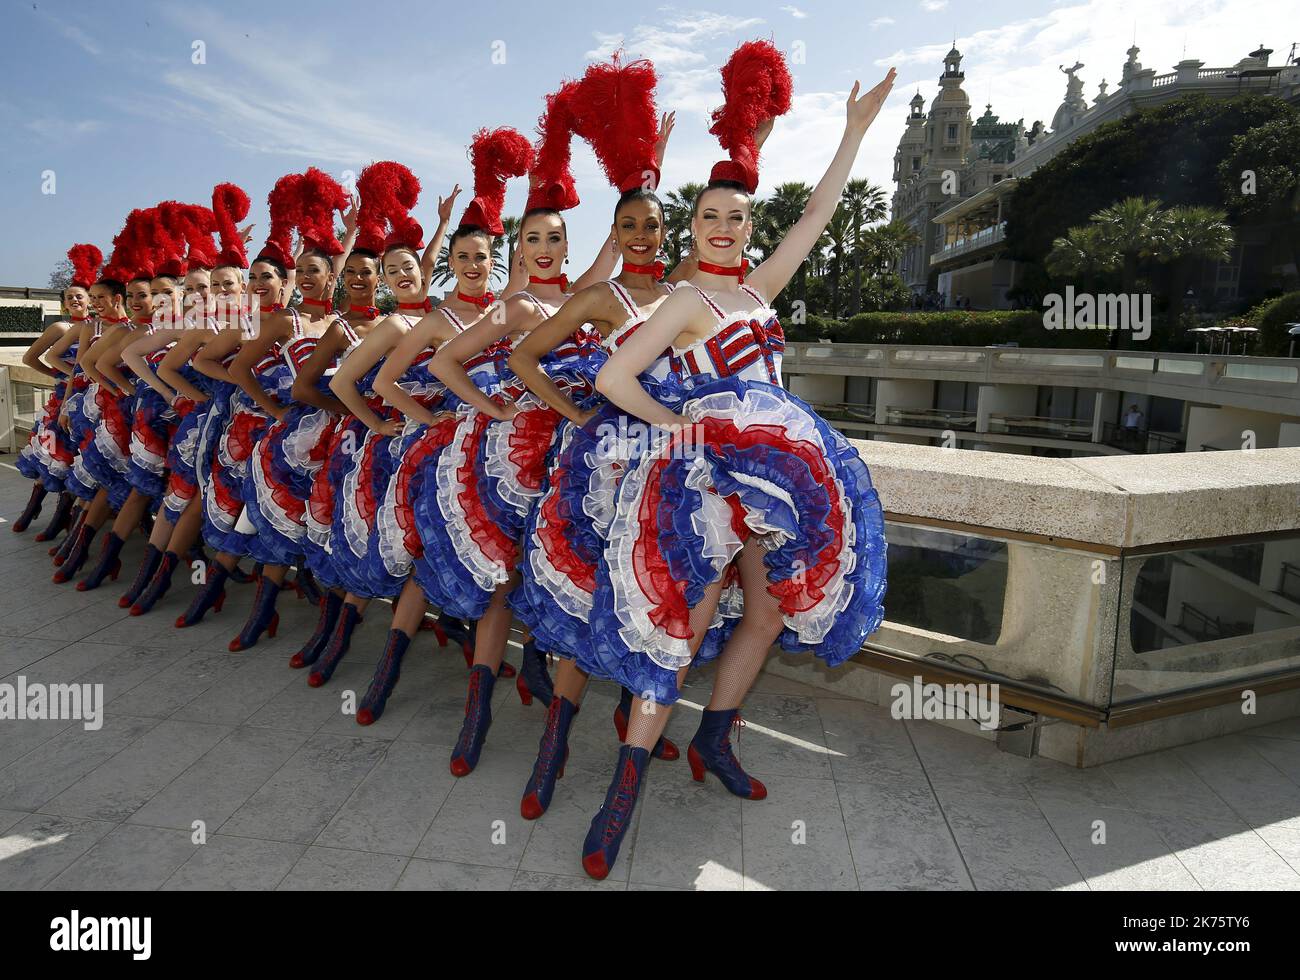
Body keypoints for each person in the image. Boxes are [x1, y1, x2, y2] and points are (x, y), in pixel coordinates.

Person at [577, 42, 894, 879]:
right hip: (707, 488)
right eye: (711, 217)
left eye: (738, 218)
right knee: (677, 633)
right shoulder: (687, 299)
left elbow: (818, 217)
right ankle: (623, 790)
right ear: (693, 228)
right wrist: (681, 425)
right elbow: (614, 375)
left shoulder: (758, 291)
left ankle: (715, 739)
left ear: (749, 228)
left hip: (776, 486)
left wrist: (852, 134)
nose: (726, 227)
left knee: (767, 614)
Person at [506, 55, 688, 820]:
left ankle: (632, 717)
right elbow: (522, 356)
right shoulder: (598, 295)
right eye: (630, 227)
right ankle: (553, 751)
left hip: (673, 465)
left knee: (654, 599)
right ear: (614, 235)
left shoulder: (684, 290)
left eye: (653, 224)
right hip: (604, 467)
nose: (644, 234)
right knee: (589, 604)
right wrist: (576, 412)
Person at [13, 243, 101, 539]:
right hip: (65, 398)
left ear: (91, 299)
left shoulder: (101, 327)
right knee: (54, 456)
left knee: (80, 461)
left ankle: (66, 518)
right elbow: (30, 359)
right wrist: (66, 375)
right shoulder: (61, 328)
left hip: (95, 403)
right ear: (64, 304)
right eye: (69, 297)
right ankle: (34, 508)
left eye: (80, 295)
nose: (75, 299)